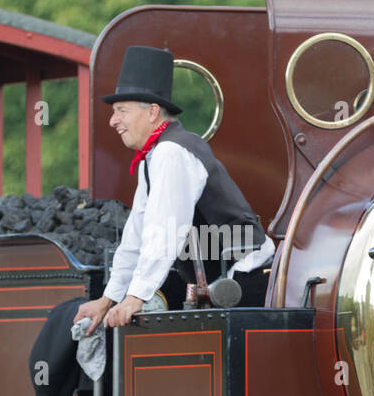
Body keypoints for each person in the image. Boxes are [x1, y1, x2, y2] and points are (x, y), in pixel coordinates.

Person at [76, 46, 273, 336]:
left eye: (121, 111)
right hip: (214, 278)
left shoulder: (171, 152)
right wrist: (108, 300)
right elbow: (136, 236)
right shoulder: (154, 155)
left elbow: (165, 231)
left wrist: (135, 297)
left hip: (243, 278)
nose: (113, 120)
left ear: (152, 112)